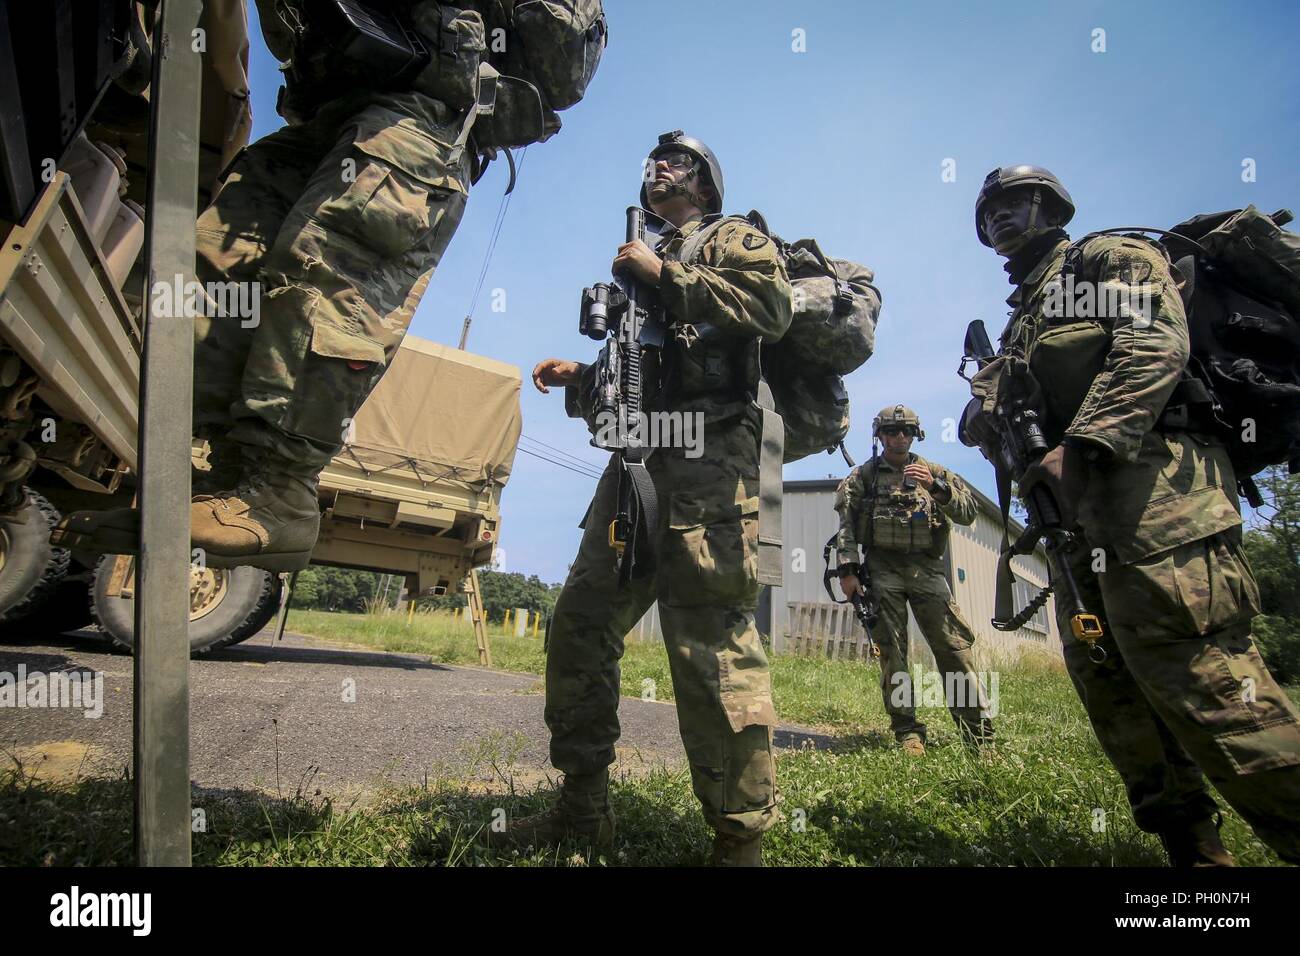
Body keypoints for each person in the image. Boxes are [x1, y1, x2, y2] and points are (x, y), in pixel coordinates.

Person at [52, 0, 605, 571]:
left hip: (417, 120)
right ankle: (213, 481)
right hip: (324, 114)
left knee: (322, 277)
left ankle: (278, 491)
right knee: (215, 268)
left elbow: (564, 63)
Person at [974, 164, 1300, 865]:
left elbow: (1154, 339)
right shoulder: (1018, 319)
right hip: (1074, 517)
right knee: (1112, 686)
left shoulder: (1107, 255)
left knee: (1205, 677)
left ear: (1052, 205)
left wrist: (1086, 444)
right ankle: (1197, 857)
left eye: (1017, 201)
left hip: (1156, 489)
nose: (1002, 215)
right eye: (990, 210)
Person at [505, 131, 792, 866]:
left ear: (705, 185)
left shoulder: (734, 237)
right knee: (579, 624)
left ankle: (739, 843)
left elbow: (771, 307)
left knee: (711, 650)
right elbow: (642, 371)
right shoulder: (642, 265)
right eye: (654, 160)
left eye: (678, 162)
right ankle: (582, 808)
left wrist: (664, 271)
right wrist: (583, 376)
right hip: (634, 465)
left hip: (710, 461)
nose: (658, 168)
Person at [833, 405, 994, 756]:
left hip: (927, 571)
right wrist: (847, 571)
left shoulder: (934, 472)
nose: (899, 437)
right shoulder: (864, 476)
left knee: (954, 649)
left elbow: (968, 513)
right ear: (880, 436)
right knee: (893, 653)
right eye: (891, 431)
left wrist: (935, 487)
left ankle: (979, 736)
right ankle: (907, 732)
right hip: (881, 571)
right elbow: (845, 526)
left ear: (915, 435)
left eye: (906, 431)